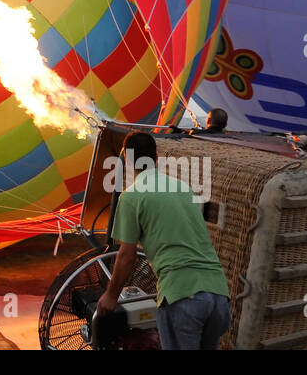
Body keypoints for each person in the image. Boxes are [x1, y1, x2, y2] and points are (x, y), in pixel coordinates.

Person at [97, 132, 231, 349]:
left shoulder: (131, 197)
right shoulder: (184, 189)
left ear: (129, 161)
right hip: (218, 296)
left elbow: (126, 256)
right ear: (157, 157)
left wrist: (111, 296)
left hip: (182, 296)